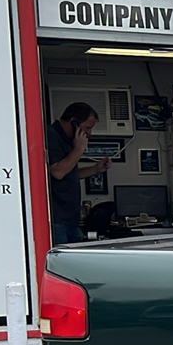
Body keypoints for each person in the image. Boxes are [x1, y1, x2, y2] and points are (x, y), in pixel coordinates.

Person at [46, 102, 109, 245]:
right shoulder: (51, 136)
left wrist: (95, 169)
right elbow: (58, 172)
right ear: (73, 122)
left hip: (70, 219)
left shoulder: (69, 141)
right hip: (57, 219)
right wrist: (79, 149)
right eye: (87, 128)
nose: (89, 133)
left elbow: (70, 174)